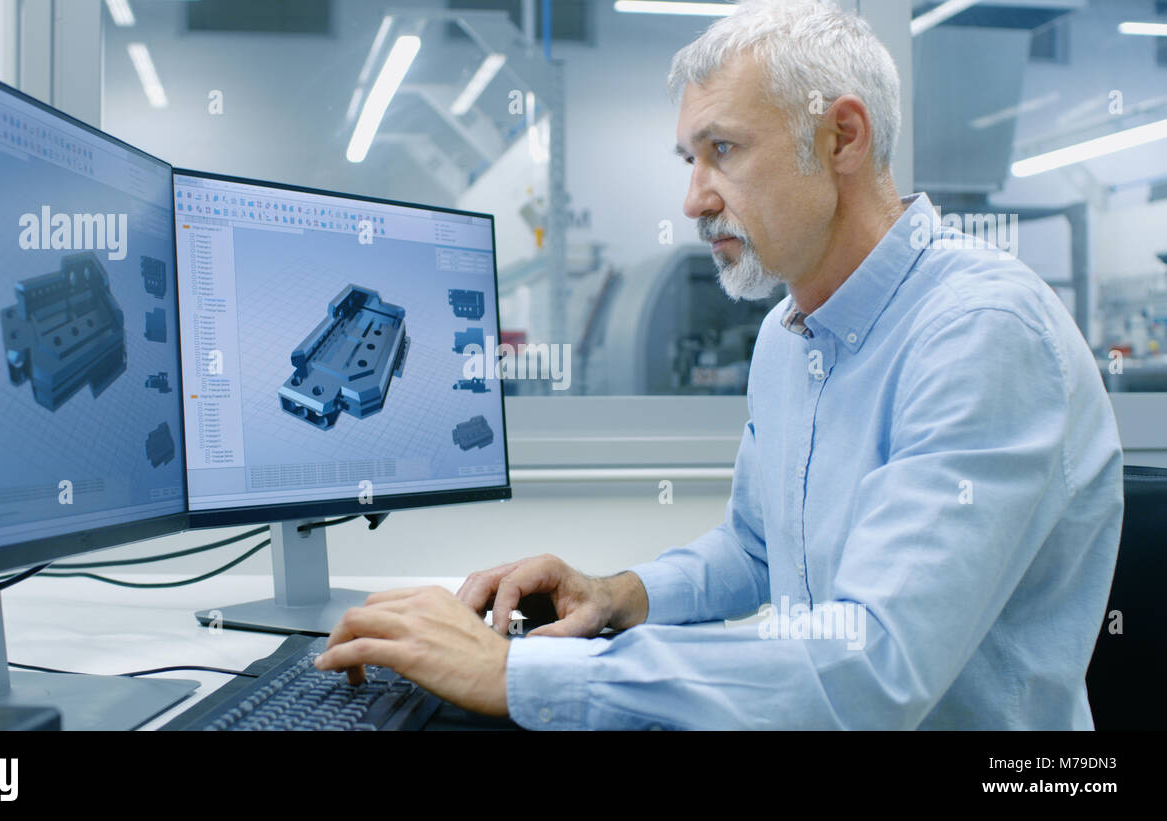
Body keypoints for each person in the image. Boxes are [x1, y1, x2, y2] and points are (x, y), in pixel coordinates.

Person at [314, 0, 1124, 729]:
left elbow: (872, 671)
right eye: (688, 159)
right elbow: (758, 550)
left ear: (841, 136)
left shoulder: (981, 334)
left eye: (723, 150)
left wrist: (522, 671)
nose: (694, 198)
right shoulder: (788, 335)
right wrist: (614, 595)